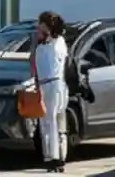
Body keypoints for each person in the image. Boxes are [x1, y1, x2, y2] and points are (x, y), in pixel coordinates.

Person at [33, 11, 70, 173]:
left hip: (54, 84)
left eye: (41, 24)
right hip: (45, 84)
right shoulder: (41, 46)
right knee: (47, 121)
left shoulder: (57, 43)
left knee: (52, 121)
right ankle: (52, 155)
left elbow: (57, 61)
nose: (37, 28)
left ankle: (55, 157)